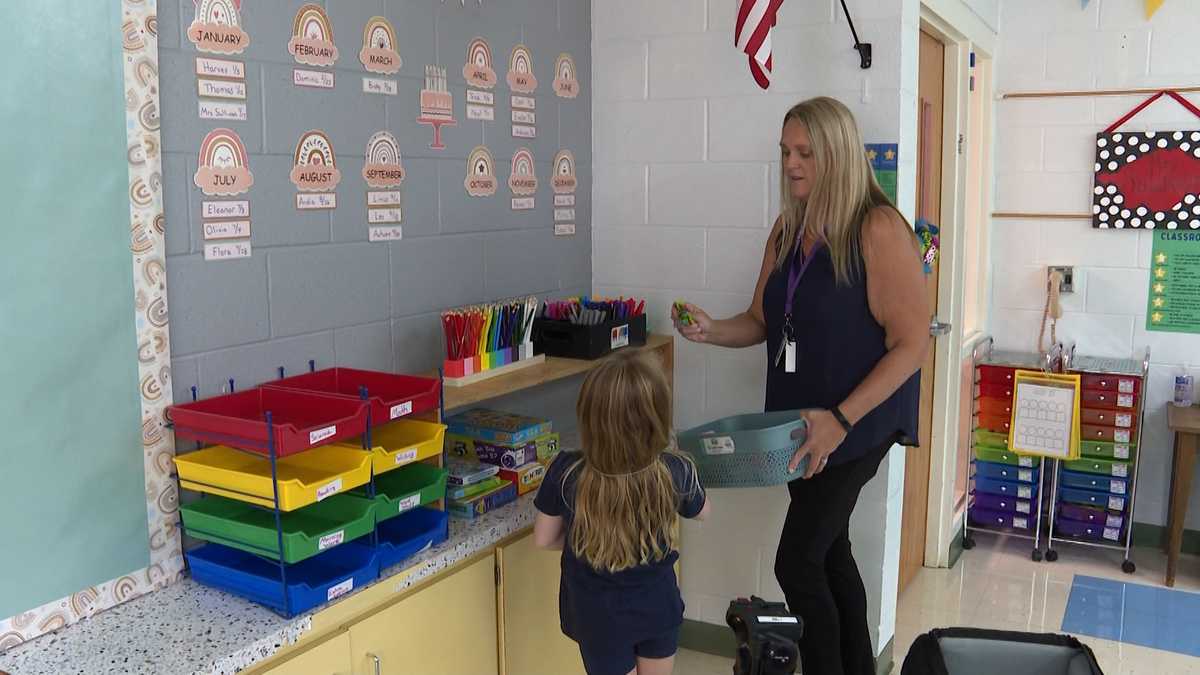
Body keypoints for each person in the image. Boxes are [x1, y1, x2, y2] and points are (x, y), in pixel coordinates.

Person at [672, 96, 929, 675]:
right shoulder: (788, 230)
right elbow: (763, 322)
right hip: (797, 427)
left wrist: (840, 419)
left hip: (854, 424)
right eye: (785, 151)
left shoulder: (877, 228)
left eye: (804, 152)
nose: (790, 164)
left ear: (836, 155)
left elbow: (912, 345)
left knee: (798, 563)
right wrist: (712, 331)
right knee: (830, 556)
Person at [534, 350, 711, 675]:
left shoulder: (566, 472)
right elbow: (702, 512)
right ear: (657, 414)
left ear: (588, 415)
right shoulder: (675, 469)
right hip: (657, 609)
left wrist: (593, 539)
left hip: (597, 617)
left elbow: (544, 539)